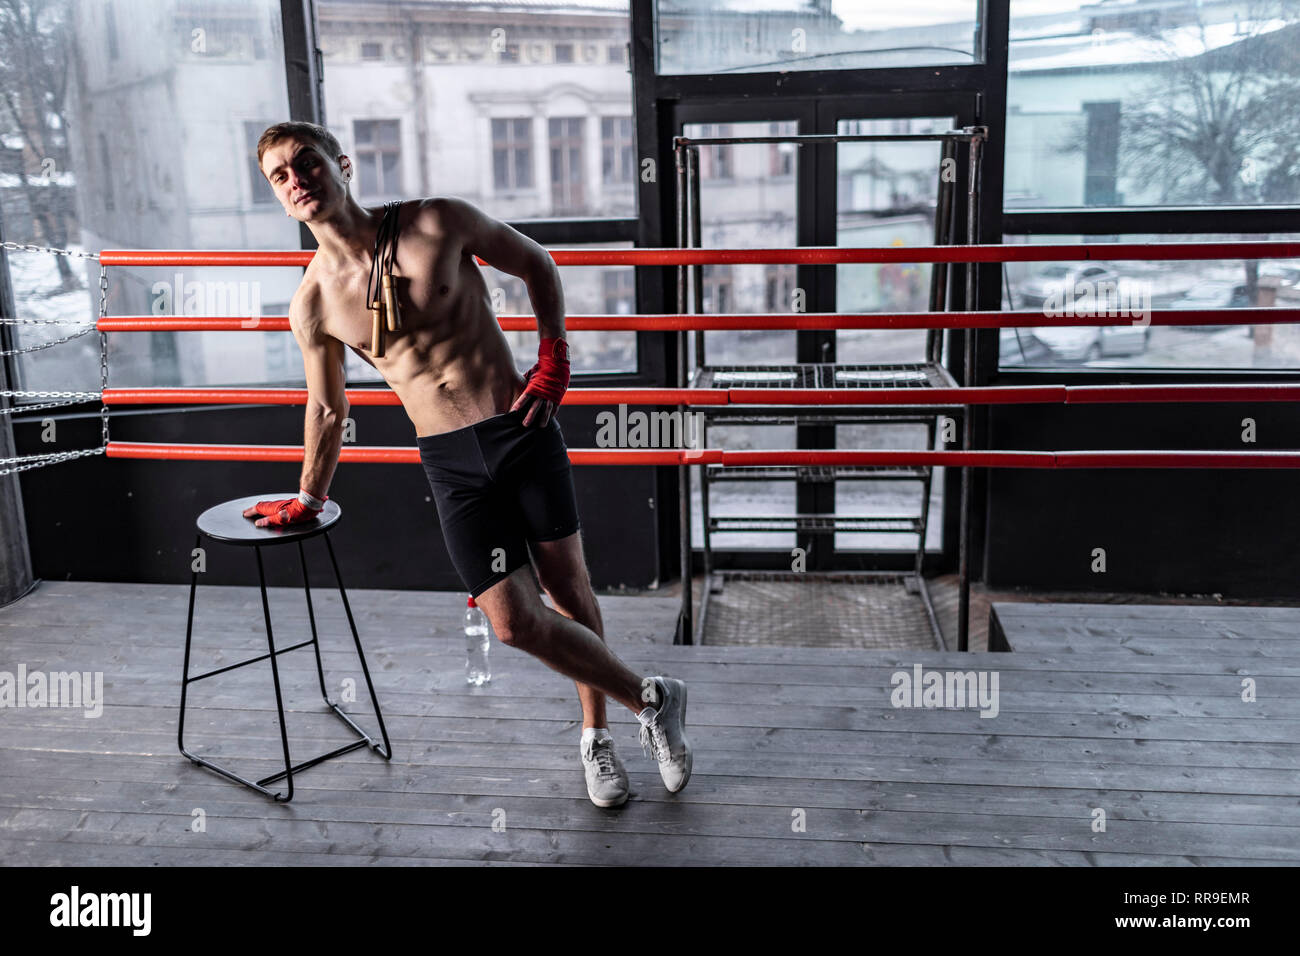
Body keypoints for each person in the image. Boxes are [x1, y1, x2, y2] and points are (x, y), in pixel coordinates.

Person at [243, 121, 690, 808]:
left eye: (307, 163)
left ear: (343, 164)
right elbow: (328, 410)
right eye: (280, 174)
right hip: (448, 461)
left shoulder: (436, 222)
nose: (297, 179)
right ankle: (651, 699)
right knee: (512, 623)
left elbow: (537, 263)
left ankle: (595, 737)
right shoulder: (312, 303)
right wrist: (307, 494)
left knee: (569, 590)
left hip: (521, 427)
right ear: (276, 193)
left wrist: (554, 359)